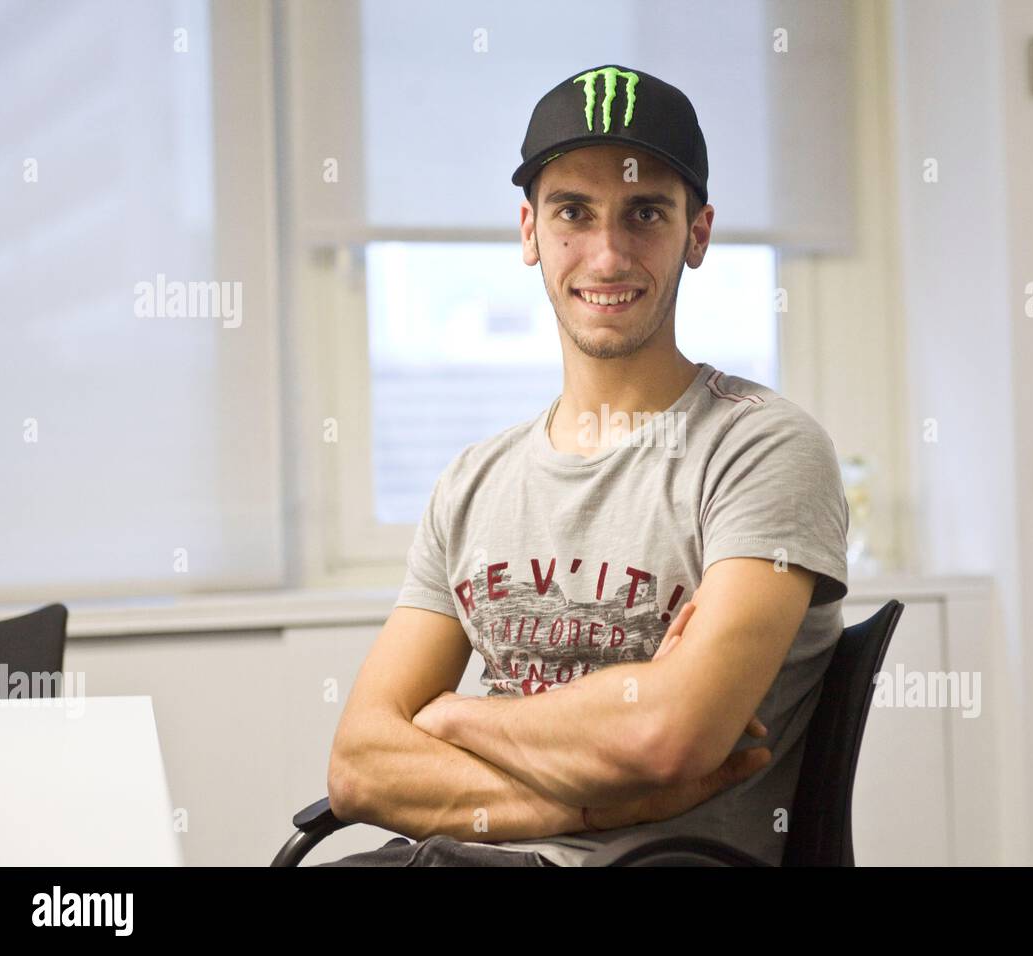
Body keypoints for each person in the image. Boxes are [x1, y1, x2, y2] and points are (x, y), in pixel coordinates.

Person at [317, 63, 849, 868]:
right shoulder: (472, 483)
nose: (606, 254)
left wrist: (455, 719)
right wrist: (596, 794)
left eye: (644, 213)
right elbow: (358, 764)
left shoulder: (762, 450)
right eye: (573, 211)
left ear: (696, 234)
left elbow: (668, 735)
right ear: (529, 231)